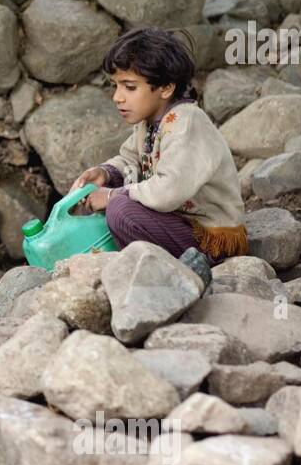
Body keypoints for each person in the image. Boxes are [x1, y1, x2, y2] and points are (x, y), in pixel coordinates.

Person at [70, 27, 247, 282]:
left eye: (129, 87)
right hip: (178, 223)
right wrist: (104, 174)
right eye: (115, 86)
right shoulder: (151, 121)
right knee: (114, 191)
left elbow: (167, 191)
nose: (117, 97)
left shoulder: (185, 122)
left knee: (120, 210)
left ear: (165, 88)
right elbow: (130, 159)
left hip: (209, 238)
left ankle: (169, 274)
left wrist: (110, 196)